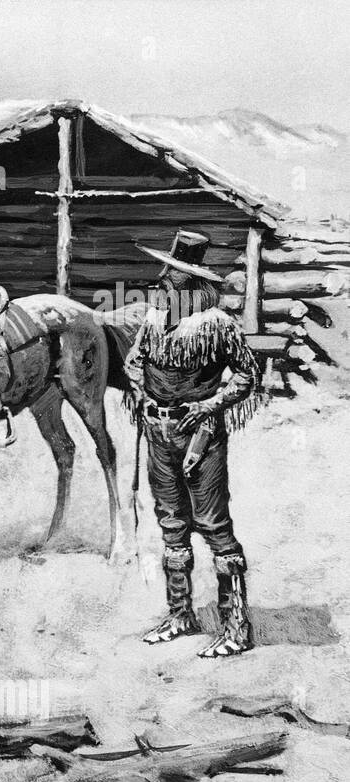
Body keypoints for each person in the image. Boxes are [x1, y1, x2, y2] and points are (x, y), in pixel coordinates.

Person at [125, 230, 262, 658]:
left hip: (198, 437)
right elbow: (134, 361)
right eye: (167, 270)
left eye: (175, 274)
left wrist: (211, 404)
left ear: (195, 284)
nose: (163, 277)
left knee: (214, 525)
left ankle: (235, 626)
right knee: (171, 522)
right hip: (157, 432)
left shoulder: (218, 325)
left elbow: (247, 375)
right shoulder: (152, 320)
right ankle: (180, 614)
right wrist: (140, 390)